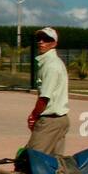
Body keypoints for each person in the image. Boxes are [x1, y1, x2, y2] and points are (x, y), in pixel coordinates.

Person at [25, 27, 69, 156]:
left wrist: (33, 116)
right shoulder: (53, 62)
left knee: (32, 159)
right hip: (60, 120)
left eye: (46, 39)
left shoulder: (51, 65)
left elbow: (44, 98)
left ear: (54, 43)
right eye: (39, 39)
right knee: (55, 163)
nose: (41, 42)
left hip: (50, 121)